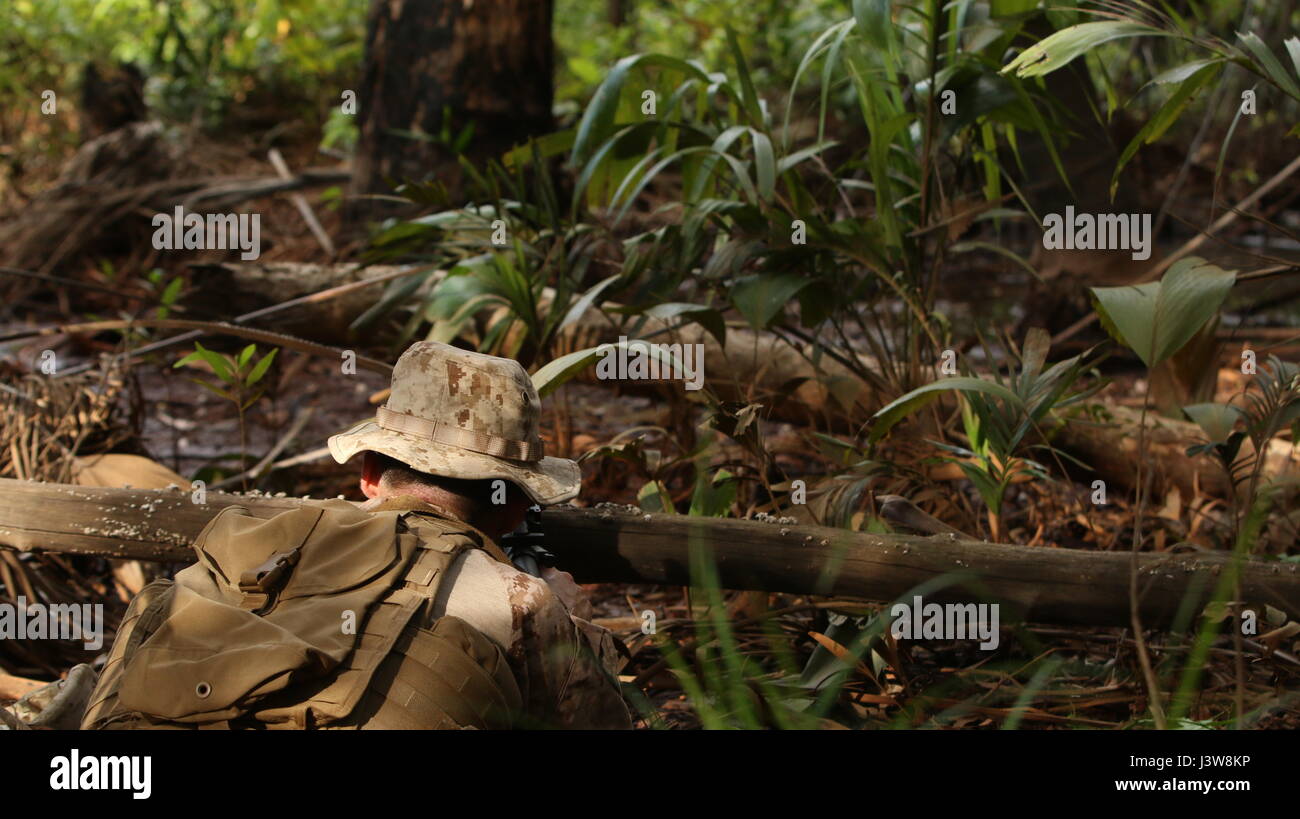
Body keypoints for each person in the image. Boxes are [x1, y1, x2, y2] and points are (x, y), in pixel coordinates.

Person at [79, 341, 631, 730]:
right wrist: (572, 624)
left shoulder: (232, 555)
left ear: (367, 474)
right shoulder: (522, 603)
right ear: (514, 510)